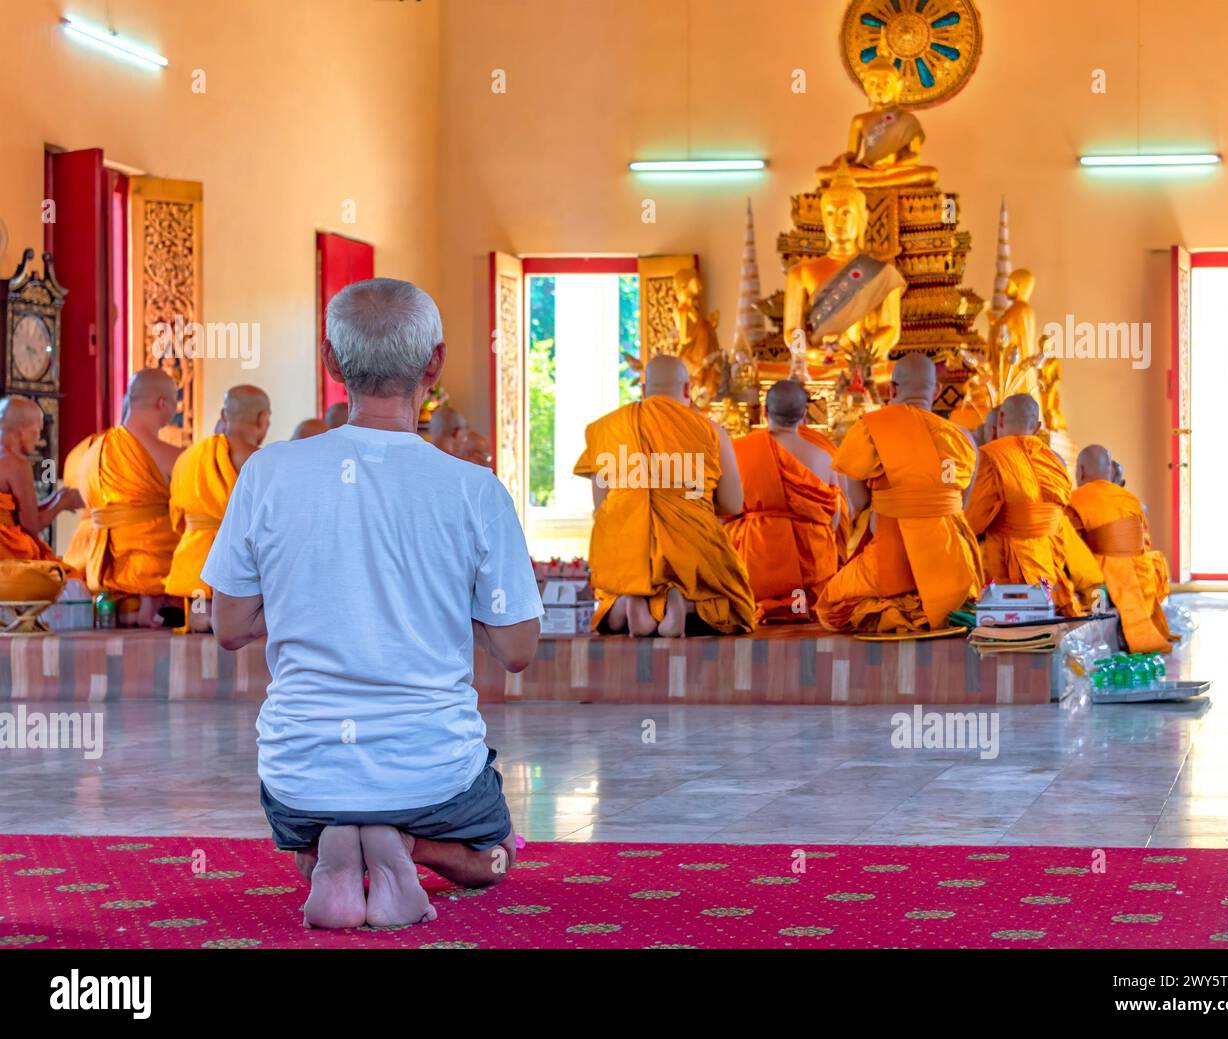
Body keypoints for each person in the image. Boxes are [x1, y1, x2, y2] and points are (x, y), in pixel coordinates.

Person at [206, 278, 541, 929]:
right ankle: (405, 846)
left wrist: (317, 600)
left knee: (311, 818)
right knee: (498, 855)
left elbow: (229, 625)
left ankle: (335, 849)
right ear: (435, 364)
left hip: (300, 770)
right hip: (432, 768)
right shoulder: (474, 489)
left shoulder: (268, 472)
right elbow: (518, 650)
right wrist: (439, 599)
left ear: (331, 363)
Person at [574, 354, 755, 637]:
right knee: (734, 609)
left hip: (624, 553)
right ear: (687, 390)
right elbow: (733, 503)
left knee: (609, 604)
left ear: (644, 390)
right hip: (690, 553)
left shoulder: (607, 429)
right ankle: (683, 603)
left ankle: (627, 602)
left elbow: (601, 506)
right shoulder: (710, 431)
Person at [815, 354, 983, 633]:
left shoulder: (871, 429)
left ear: (891, 390)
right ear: (937, 391)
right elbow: (959, 505)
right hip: (954, 567)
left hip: (888, 562)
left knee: (833, 606)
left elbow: (858, 503)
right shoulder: (963, 438)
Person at [964, 393, 1103, 615]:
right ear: (1038, 427)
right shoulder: (1055, 461)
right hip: (1051, 575)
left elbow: (973, 522)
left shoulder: (990, 457)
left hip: (1007, 580)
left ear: (1000, 420)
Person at [725, 381, 846, 623]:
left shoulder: (739, 451)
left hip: (757, 566)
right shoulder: (824, 457)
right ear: (804, 416)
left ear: (765, 412)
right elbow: (834, 519)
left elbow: (726, 510)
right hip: (811, 570)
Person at [76, 368, 183, 626]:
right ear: (162, 403)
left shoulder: (90, 453)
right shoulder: (173, 457)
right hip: (157, 577)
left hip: (101, 572)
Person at [164, 385, 271, 632]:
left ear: (224, 416)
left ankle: (202, 616)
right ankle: (220, 619)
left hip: (192, 559)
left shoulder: (187, 458)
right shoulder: (259, 461)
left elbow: (176, 518)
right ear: (262, 419)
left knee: (201, 604)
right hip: (236, 560)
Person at [1069, 444, 1178, 653]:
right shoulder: (1132, 500)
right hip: (1141, 577)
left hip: (1104, 582)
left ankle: (1110, 624)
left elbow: (1070, 546)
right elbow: (1144, 544)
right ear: (1110, 471)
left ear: (1080, 470)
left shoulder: (1076, 499)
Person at [0, 397, 82, 560]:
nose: (39, 439)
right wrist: (62, 504)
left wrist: (54, 499)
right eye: (37, 430)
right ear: (22, 431)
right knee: (70, 579)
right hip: (6, 552)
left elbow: (14, 511)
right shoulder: (17, 464)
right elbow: (31, 525)